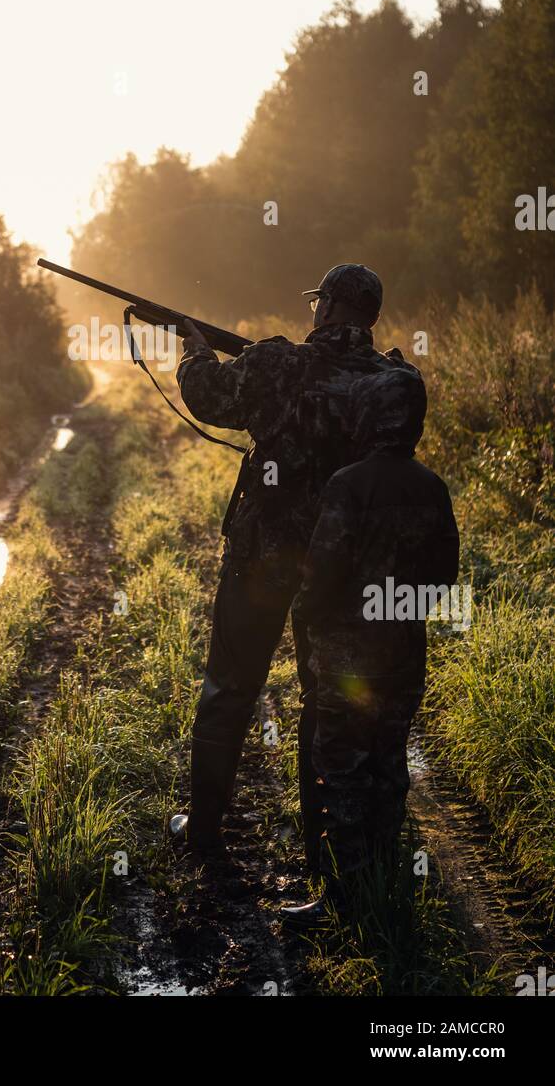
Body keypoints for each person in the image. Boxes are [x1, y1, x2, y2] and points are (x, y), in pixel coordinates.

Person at [169, 263, 425, 862]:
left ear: (329, 306)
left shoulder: (279, 363)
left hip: (263, 557)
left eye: (319, 303)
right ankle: (324, 851)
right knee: (322, 699)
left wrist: (195, 351)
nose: (314, 311)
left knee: (231, 683)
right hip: (339, 568)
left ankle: (203, 829)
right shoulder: (394, 382)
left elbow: (212, 399)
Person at [281, 369, 459, 924]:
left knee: (341, 773)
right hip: (404, 656)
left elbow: (321, 578)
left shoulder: (346, 484)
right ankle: (386, 881)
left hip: (346, 662)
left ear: (367, 415)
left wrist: (309, 619)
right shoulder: (432, 486)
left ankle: (344, 898)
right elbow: (443, 579)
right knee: (388, 767)